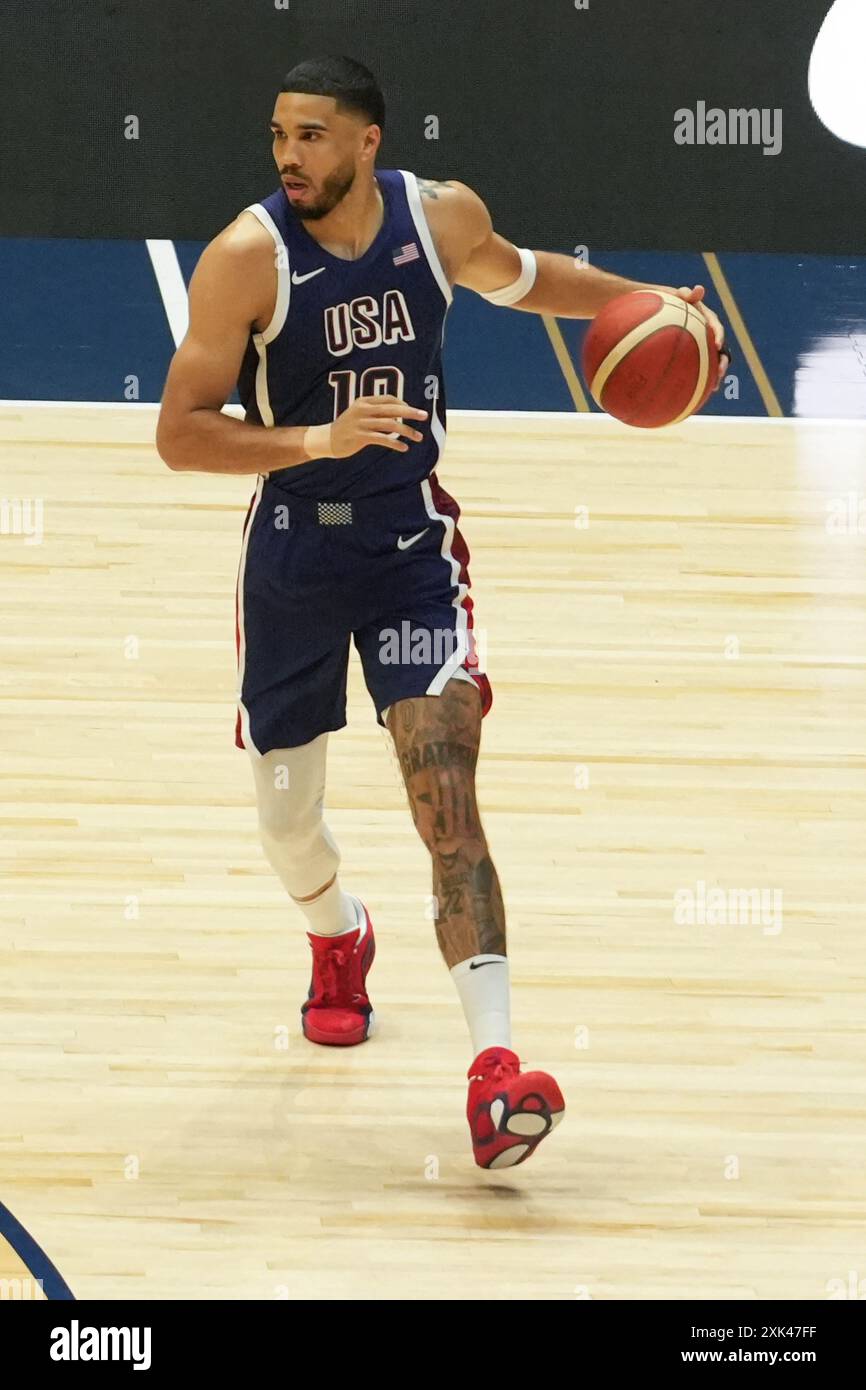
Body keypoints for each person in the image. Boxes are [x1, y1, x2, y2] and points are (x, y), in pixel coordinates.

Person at [156, 56, 730, 1170]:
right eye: (279, 134)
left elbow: (530, 279)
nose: (288, 155)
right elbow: (180, 433)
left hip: (412, 550)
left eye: (311, 135)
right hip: (291, 562)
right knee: (284, 821)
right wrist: (313, 441)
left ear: (368, 141)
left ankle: (495, 1070)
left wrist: (646, 301)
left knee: (445, 791)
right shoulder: (244, 259)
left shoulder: (438, 216)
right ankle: (339, 936)